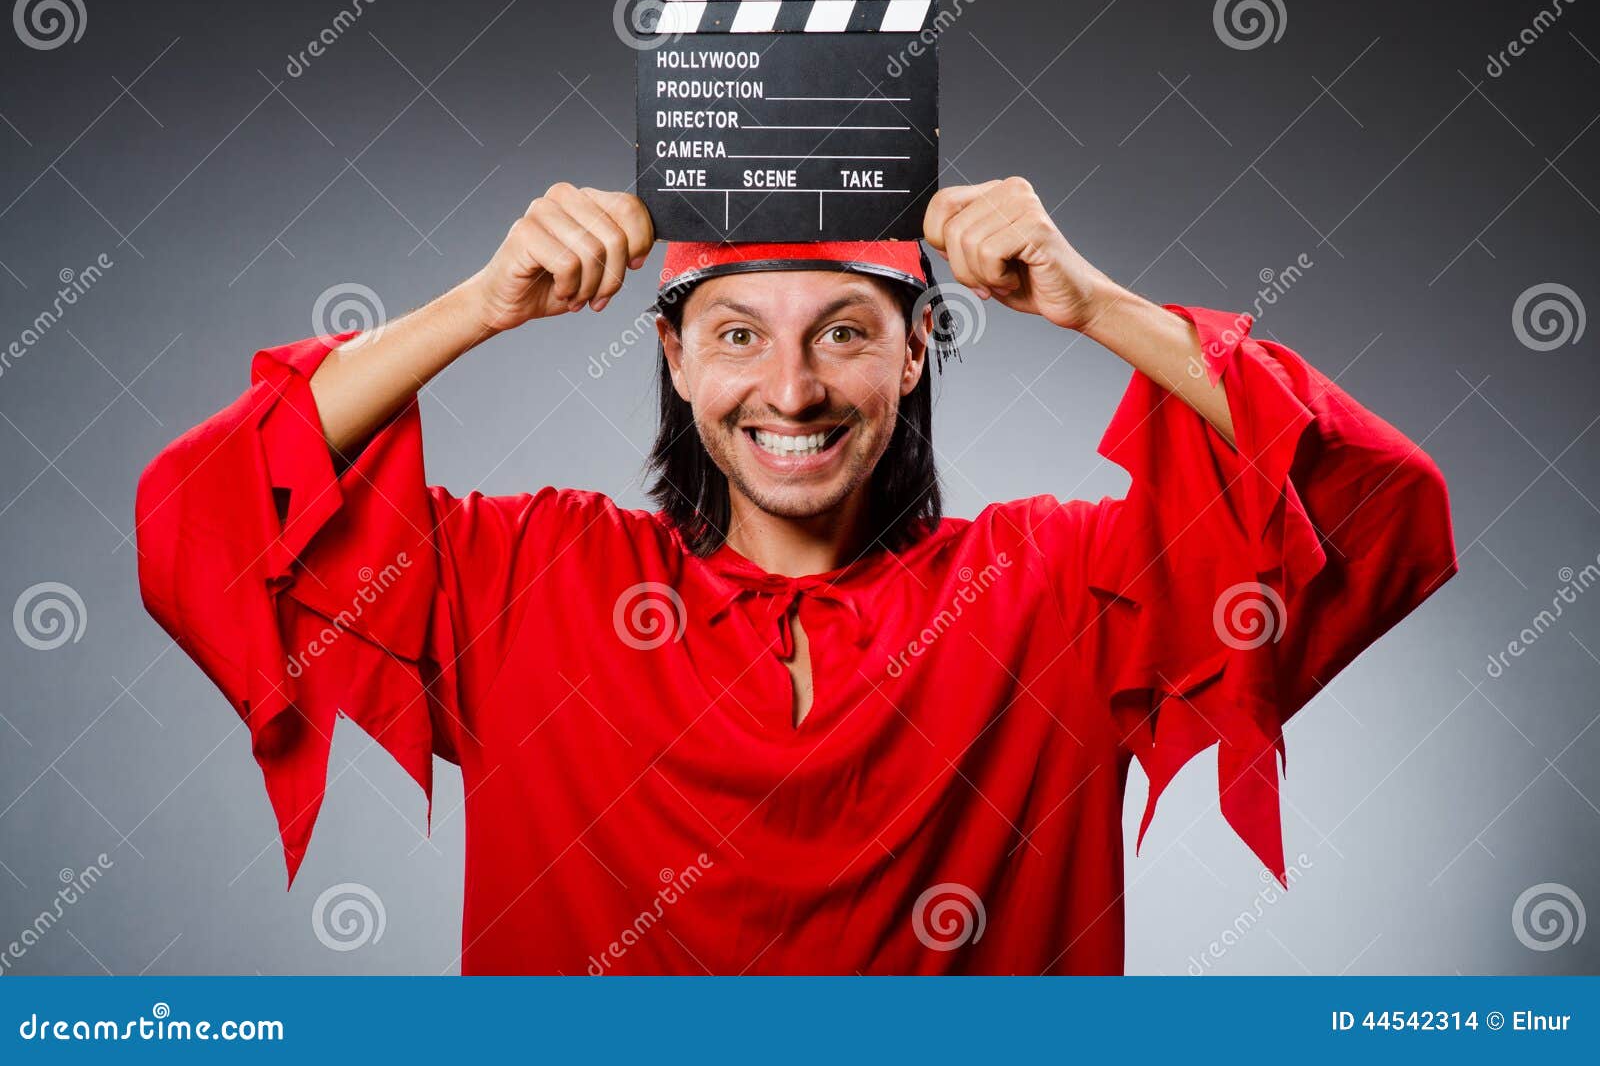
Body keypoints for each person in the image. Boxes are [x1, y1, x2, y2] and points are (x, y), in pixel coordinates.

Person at [134, 178, 1457, 974]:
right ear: (672, 357)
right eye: (734, 335)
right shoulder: (529, 580)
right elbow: (199, 519)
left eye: (843, 333)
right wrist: (482, 304)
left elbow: (1383, 509)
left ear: (918, 351)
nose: (791, 388)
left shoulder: (1057, 590)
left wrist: (1093, 300)